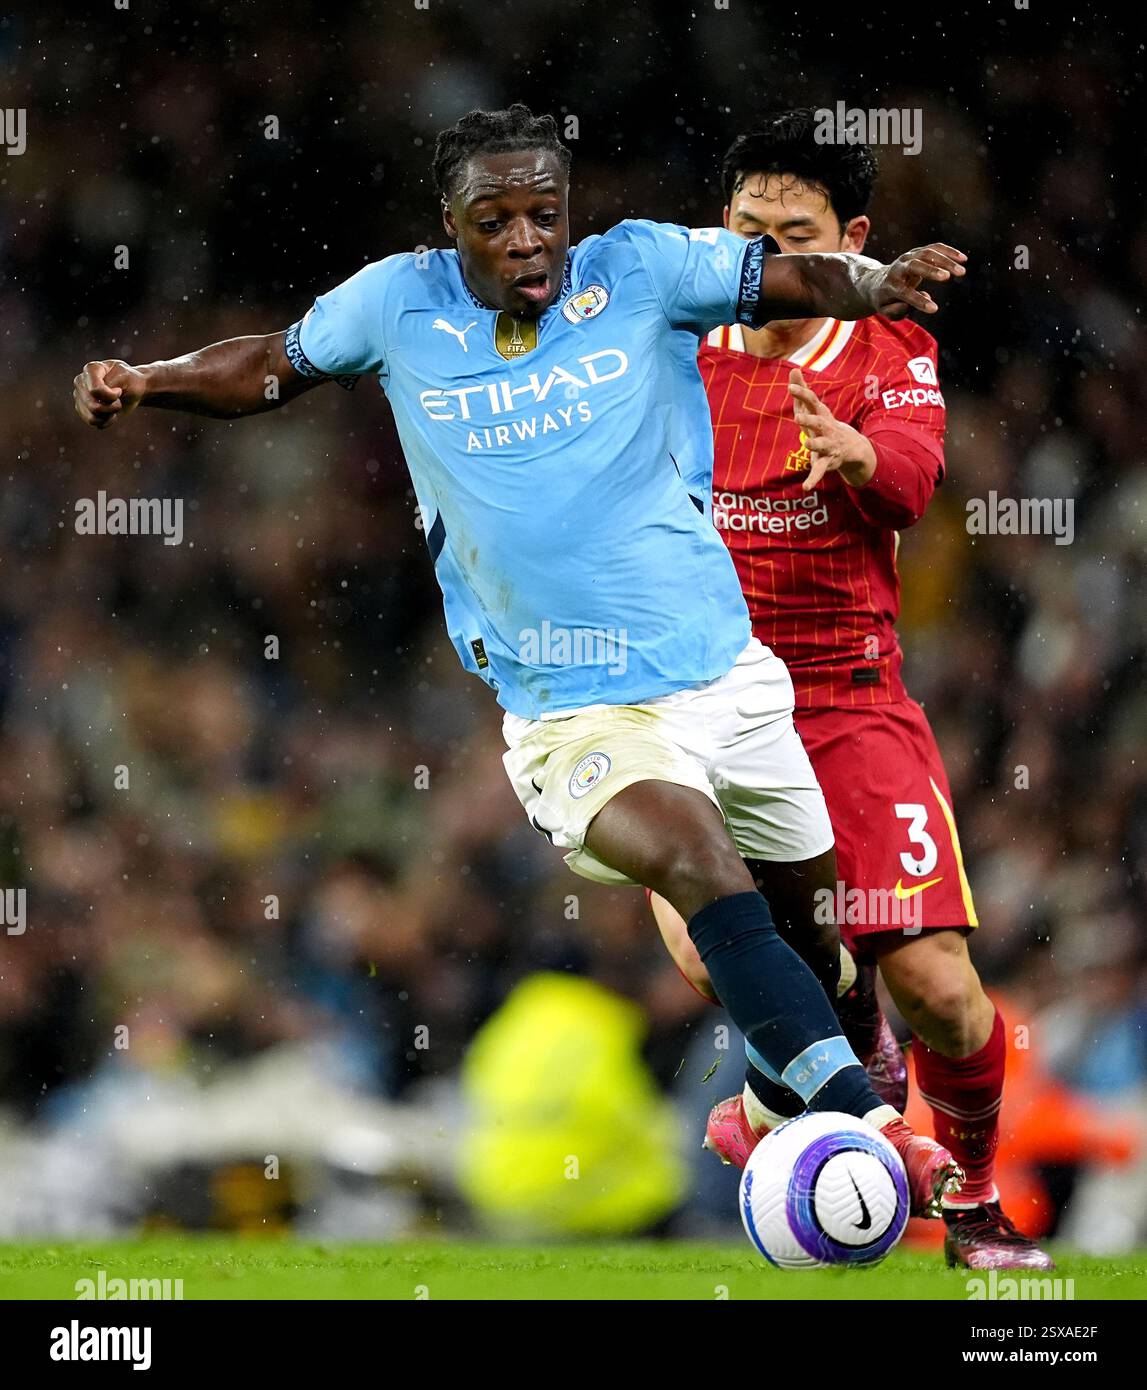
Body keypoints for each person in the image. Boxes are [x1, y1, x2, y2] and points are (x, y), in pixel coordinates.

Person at [74, 103, 969, 1217]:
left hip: (729, 680)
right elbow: (268, 363)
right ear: (449, 226)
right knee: (701, 871)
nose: (525, 240)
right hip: (574, 717)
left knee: (816, 939)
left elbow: (785, 281)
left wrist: (874, 286)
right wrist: (146, 378)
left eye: (542, 214)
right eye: (493, 222)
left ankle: (780, 1090)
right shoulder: (396, 305)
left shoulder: (639, 266)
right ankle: (874, 1130)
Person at [649, 110, 1050, 1268]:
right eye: (746, 231)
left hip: (843, 695)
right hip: (699, 697)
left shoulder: (883, 346)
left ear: (849, 238)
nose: (767, 258)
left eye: (796, 234)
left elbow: (916, 477)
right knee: (701, 951)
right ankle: (830, 1067)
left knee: (942, 990)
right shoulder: (668, 339)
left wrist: (861, 457)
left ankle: (964, 1193)